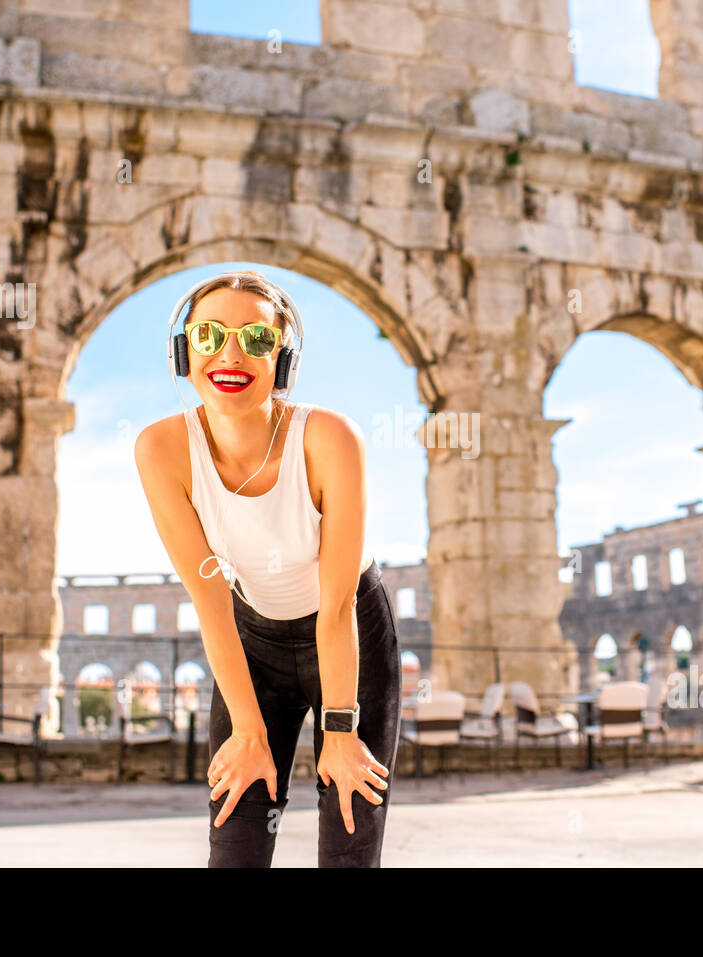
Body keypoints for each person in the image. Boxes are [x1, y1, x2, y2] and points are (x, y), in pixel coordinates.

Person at [134, 270, 402, 867]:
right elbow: (210, 601)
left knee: (350, 831)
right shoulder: (160, 448)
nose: (230, 355)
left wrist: (340, 733)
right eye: (209, 335)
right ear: (185, 351)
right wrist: (249, 736)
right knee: (236, 838)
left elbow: (334, 608)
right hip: (252, 637)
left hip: (351, 629)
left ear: (282, 360)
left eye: (256, 339)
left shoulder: (329, 439)